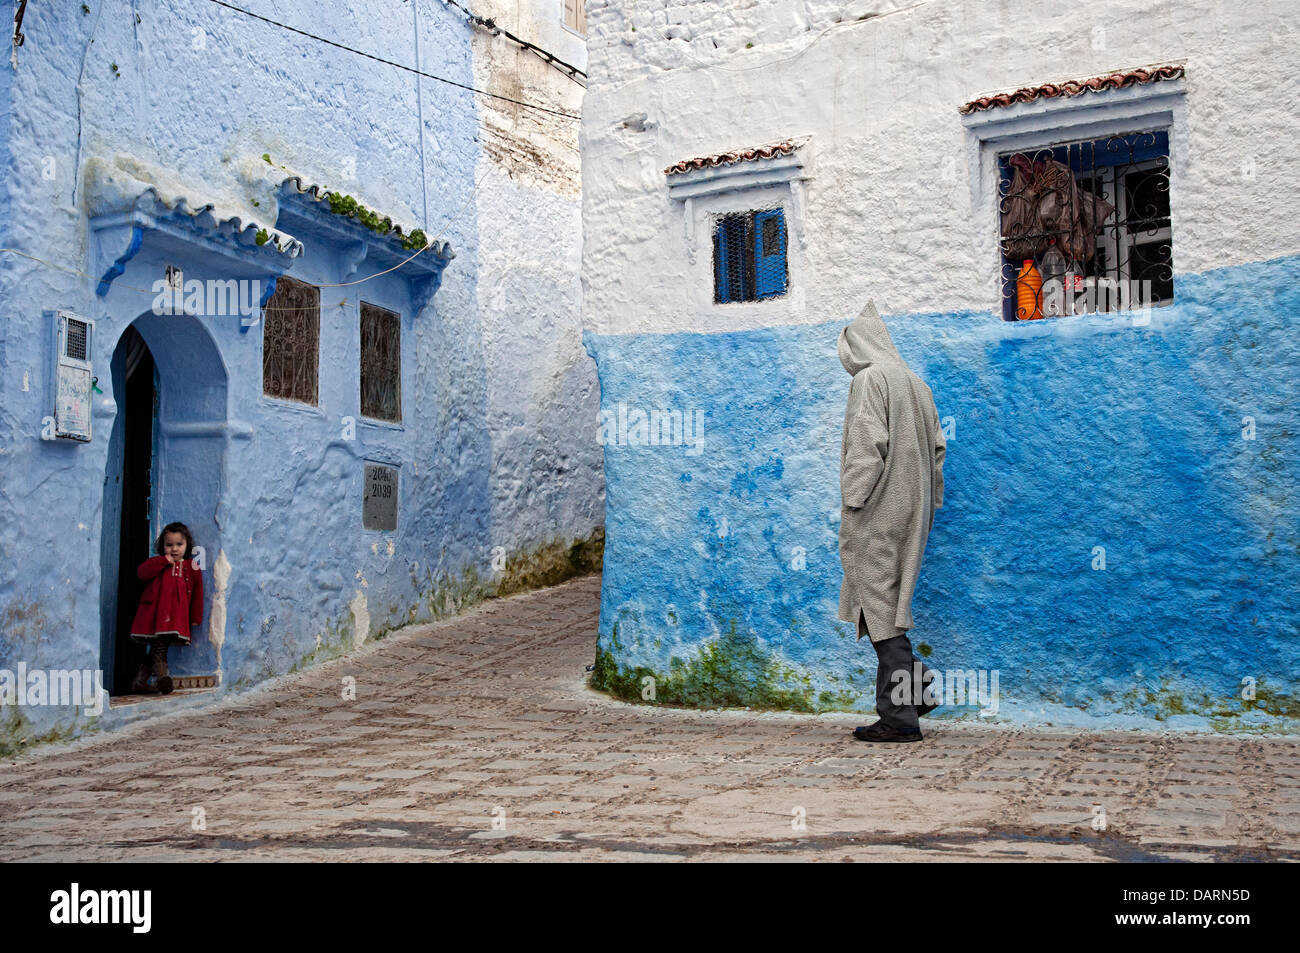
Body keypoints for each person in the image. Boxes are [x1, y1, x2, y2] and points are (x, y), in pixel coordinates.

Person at [837, 300, 946, 743]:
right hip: (913, 509)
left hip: (879, 506)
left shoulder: (870, 379)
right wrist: (930, 503)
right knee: (885, 601)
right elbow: (938, 450)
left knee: (880, 607)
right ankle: (915, 688)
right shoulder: (917, 384)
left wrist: (852, 499)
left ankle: (899, 719)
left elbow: (867, 442)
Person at [128, 522, 203, 695]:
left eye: (179, 544)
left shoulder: (192, 567)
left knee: (158, 647)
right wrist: (163, 561)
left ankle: (139, 681)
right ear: (163, 546)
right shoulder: (158, 563)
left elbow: (197, 593)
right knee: (160, 647)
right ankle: (163, 678)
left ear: (187, 545)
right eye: (169, 545)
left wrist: (195, 617)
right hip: (156, 617)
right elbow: (142, 573)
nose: (174, 549)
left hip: (175, 619)